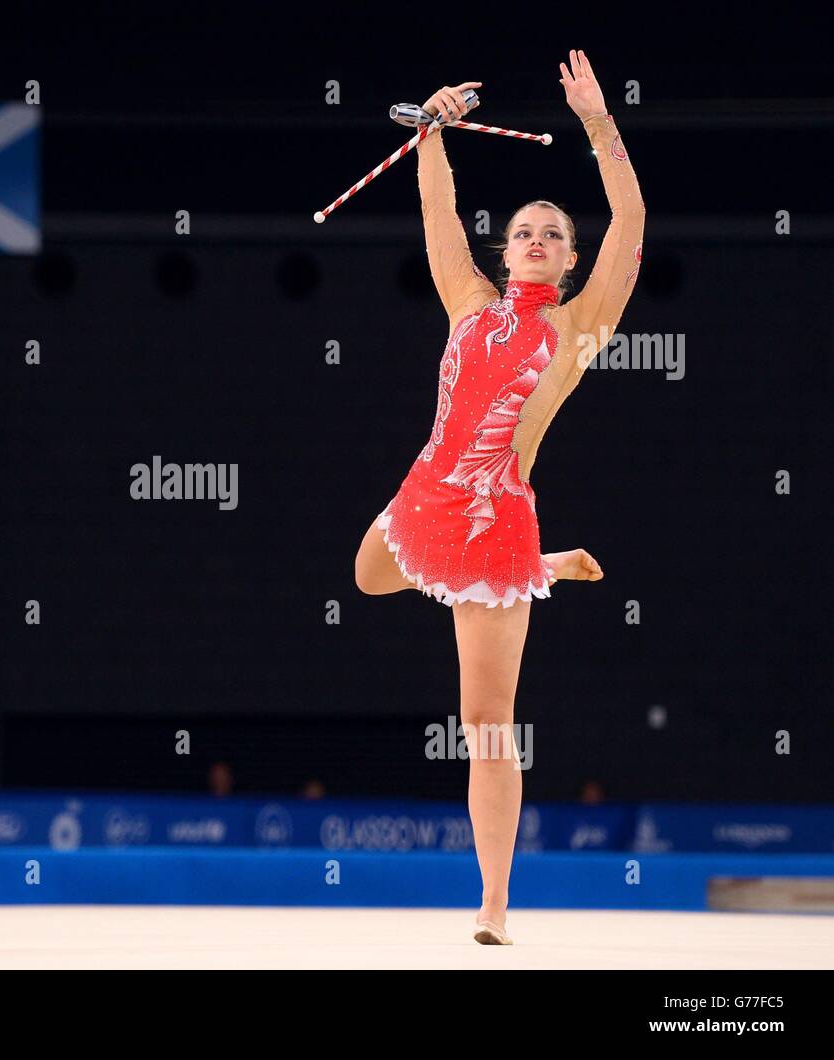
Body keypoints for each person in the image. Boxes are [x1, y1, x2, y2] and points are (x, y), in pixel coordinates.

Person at [354, 51, 645, 944]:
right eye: (525, 229)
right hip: (425, 493)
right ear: (503, 245)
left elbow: (631, 217)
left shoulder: (578, 327)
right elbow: (435, 207)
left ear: (572, 258)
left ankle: (493, 904)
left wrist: (599, 124)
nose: (538, 239)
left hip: (489, 524)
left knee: (485, 726)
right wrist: (432, 128)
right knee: (365, 580)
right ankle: (542, 569)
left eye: (554, 233)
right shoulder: (466, 301)